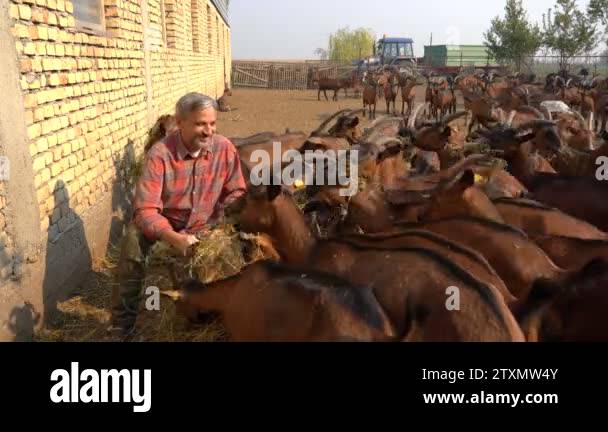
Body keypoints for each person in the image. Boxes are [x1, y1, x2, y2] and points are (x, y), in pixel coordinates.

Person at [109, 92, 247, 337]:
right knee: (132, 241)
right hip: (166, 227)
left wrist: (221, 226)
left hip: (207, 227)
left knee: (237, 257)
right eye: (200, 124)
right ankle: (122, 323)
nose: (208, 131)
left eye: (213, 123)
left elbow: (236, 191)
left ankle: (221, 316)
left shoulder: (224, 149)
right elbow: (145, 210)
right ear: (180, 122)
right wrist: (173, 237)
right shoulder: (159, 155)